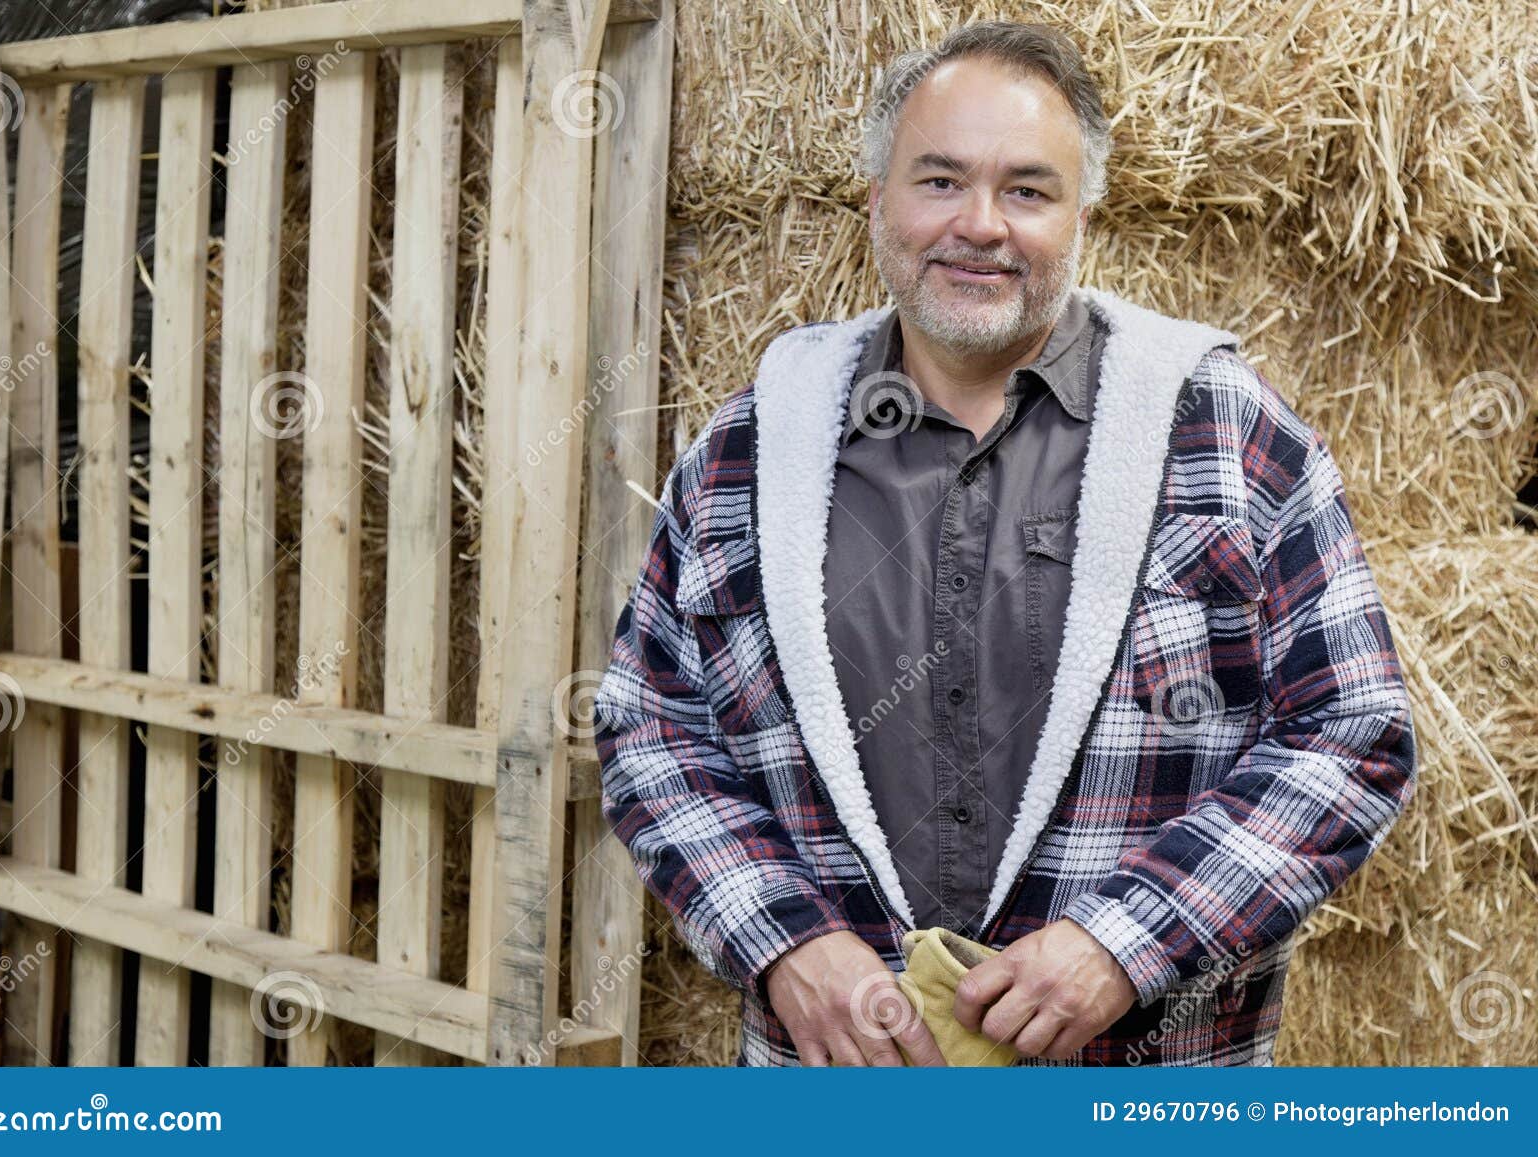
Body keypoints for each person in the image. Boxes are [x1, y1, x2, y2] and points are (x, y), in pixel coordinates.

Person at [592, 19, 1417, 1066]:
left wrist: (1124, 943)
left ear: (1082, 215)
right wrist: (784, 938)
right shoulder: (751, 447)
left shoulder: (1225, 433)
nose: (978, 225)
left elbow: (1353, 731)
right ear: (877, 198)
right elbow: (650, 724)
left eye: (1027, 190)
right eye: (938, 180)